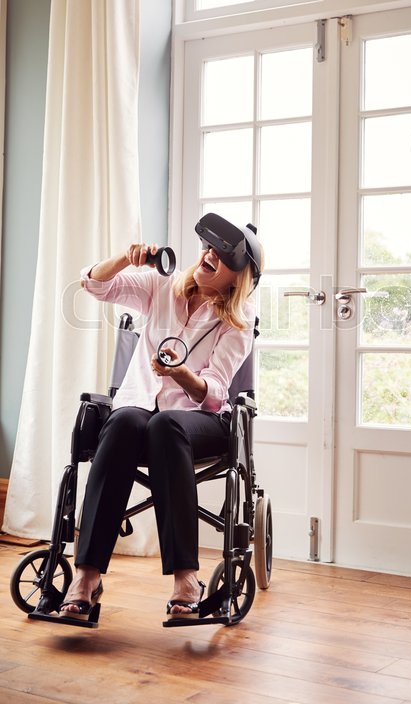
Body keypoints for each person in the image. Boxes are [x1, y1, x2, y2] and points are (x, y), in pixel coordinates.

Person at [59, 213, 262, 621]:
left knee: (165, 424)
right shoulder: (160, 286)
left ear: (237, 278)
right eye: (208, 247)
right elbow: (94, 284)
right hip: (139, 407)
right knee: (123, 421)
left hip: (196, 420)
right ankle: (86, 575)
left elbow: (215, 393)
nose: (209, 255)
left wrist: (181, 375)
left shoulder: (236, 324)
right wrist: (126, 259)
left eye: (222, 255)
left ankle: (186, 579)